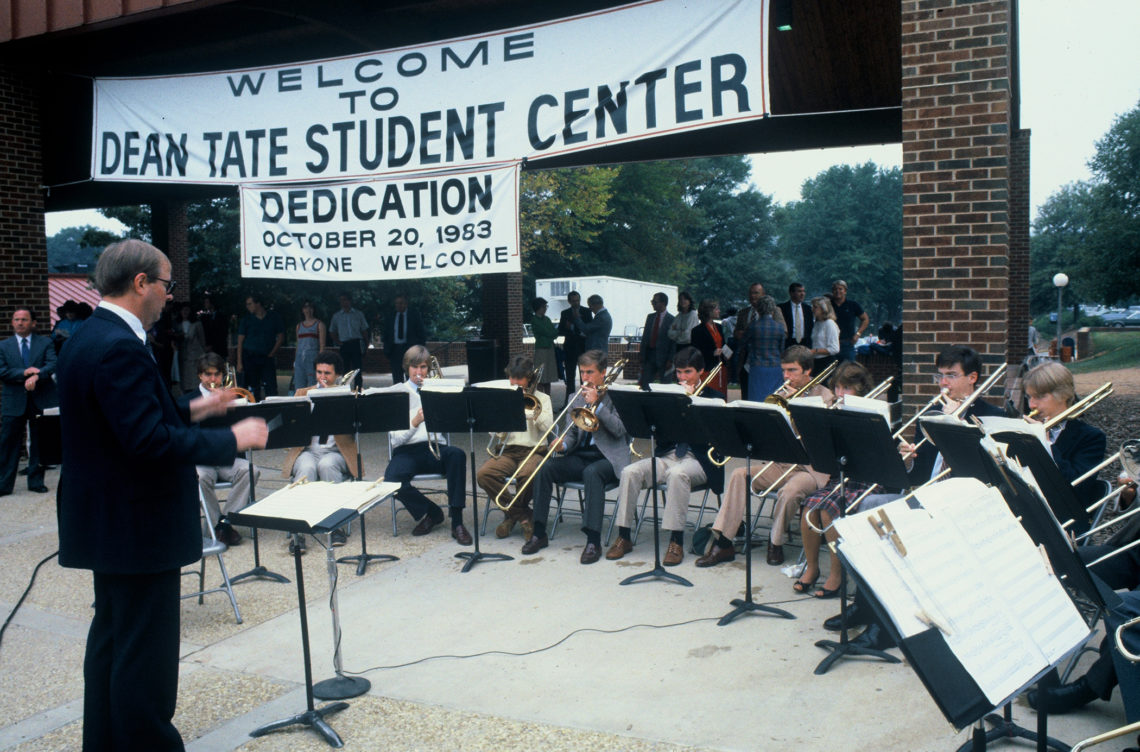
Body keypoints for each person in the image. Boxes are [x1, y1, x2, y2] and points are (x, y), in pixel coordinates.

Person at [56, 239, 267, 752]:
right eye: (167, 285)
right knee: (144, 659)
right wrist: (231, 439)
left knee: (113, 642)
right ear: (140, 283)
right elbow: (147, 441)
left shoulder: (89, 337)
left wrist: (198, 406)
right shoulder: (121, 347)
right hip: (137, 526)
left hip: (110, 523)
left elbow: (127, 418)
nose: (170, 296)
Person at [697, 346, 833, 568]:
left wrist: (797, 406)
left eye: (792, 370)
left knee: (790, 492)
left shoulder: (826, 396)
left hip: (810, 469)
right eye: (784, 370)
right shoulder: (781, 395)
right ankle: (724, 542)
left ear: (808, 370)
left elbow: (822, 439)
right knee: (739, 475)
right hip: (782, 463)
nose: (786, 376)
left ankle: (775, 543)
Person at [608, 347, 724, 566]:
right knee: (630, 471)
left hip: (699, 460)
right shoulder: (668, 395)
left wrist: (691, 403)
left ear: (701, 371)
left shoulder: (715, 398)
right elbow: (657, 430)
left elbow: (716, 437)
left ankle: (675, 541)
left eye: (688, 372)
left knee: (677, 474)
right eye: (679, 372)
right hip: (668, 455)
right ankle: (624, 536)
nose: (682, 377)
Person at [522, 349, 629, 564]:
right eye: (582, 372)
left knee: (592, 473)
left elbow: (619, 430)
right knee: (545, 467)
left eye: (590, 372)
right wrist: (562, 445)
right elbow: (571, 435)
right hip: (581, 455)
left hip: (609, 459)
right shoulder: (575, 397)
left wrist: (598, 405)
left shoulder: (618, 396)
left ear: (603, 372)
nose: (585, 377)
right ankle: (539, 533)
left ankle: (593, 541)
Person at [793, 361, 876, 598]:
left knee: (829, 510)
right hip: (840, 476)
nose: (840, 393)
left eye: (846, 388)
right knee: (809, 507)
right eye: (838, 388)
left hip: (866, 479)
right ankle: (812, 568)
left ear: (860, 389)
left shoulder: (872, 412)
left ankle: (837, 575)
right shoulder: (833, 413)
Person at [385, 344, 471, 544]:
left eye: (423, 367)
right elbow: (395, 440)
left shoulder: (437, 389)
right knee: (391, 481)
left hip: (435, 448)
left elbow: (455, 422)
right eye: (414, 367)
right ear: (407, 368)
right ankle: (432, 512)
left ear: (428, 369)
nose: (419, 372)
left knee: (457, 455)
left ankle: (457, 522)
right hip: (406, 451)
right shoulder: (397, 392)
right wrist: (415, 422)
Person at [177, 353, 259, 547]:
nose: (213, 379)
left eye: (217, 374)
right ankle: (220, 526)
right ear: (200, 375)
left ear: (223, 375)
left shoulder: (232, 398)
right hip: (201, 460)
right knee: (199, 478)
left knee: (251, 471)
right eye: (208, 374)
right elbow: (184, 435)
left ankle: (225, 523)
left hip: (226, 458)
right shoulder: (187, 401)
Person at [281, 350, 359, 550]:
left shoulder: (348, 396)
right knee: (306, 469)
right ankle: (299, 531)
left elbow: (356, 428)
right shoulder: (302, 393)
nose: (322, 377)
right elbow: (289, 428)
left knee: (327, 465)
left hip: (335, 452)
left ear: (338, 375)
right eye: (319, 372)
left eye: (327, 373)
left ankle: (335, 526)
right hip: (307, 451)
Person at [476, 355, 554, 540]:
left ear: (529, 378)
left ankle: (511, 517)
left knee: (527, 475)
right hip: (508, 451)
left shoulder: (543, 398)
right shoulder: (504, 397)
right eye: (512, 377)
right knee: (484, 475)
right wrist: (504, 416)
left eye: (519, 378)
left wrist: (534, 413)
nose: (514, 382)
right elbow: (495, 433)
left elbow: (549, 427)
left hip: (534, 451)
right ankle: (523, 516)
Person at [1023, 360, 1108, 509]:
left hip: (1063, 516)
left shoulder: (1091, 438)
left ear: (1062, 395)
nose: (1031, 405)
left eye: (1039, 396)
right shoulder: (1027, 430)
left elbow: (1075, 487)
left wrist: (1046, 444)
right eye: (1029, 397)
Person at [0, 307, 58, 496]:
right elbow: (2, 370)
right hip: (14, 400)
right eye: (16, 319)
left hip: (40, 398)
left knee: (39, 442)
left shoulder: (45, 343)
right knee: (8, 443)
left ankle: (36, 481)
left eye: (24, 319)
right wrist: (24, 373)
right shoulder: (4, 346)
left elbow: (52, 364)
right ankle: (4, 484)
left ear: (33, 323)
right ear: (12, 322)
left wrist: (38, 375)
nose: (20, 323)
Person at [236, 294, 284, 400]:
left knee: (271, 387)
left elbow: (281, 337)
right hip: (250, 357)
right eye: (247, 304)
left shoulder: (273, 317)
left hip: (267, 357)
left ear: (258, 304)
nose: (248, 307)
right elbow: (240, 342)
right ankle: (254, 406)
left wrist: (272, 353)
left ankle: (272, 407)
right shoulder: (246, 320)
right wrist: (239, 362)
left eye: (250, 304)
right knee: (253, 388)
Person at [745, 295, 786, 401]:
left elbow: (744, 345)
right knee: (774, 399)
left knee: (756, 399)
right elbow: (782, 349)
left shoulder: (753, 326)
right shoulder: (780, 327)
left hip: (757, 367)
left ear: (758, 309)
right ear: (773, 309)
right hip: (775, 367)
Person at [383, 294, 426, 384]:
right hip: (395, 350)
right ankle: (399, 393)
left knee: (411, 377)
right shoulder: (391, 316)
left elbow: (421, 333)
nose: (399, 305)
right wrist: (387, 349)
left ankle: (412, 392)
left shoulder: (414, 315)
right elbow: (386, 333)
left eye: (401, 303)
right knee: (397, 378)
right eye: (397, 303)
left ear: (406, 304)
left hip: (410, 350)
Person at [690, 299, 729, 397]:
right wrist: (712, 353)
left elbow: (723, 344)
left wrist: (727, 353)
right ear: (709, 311)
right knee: (710, 396)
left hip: (721, 368)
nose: (719, 311)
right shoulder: (697, 330)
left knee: (721, 395)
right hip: (707, 369)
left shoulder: (719, 327)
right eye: (716, 309)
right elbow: (696, 352)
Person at [733, 282, 765, 399]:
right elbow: (736, 332)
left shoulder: (774, 311)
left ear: (763, 294)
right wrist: (741, 334)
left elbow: (783, 332)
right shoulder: (743, 312)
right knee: (746, 394)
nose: (752, 296)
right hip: (745, 359)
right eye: (751, 293)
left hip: (763, 360)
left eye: (756, 293)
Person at [557, 291, 592, 398]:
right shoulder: (565, 313)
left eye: (577, 300)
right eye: (573, 301)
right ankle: (569, 401)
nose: (576, 303)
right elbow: (560, 330)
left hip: (583, 347)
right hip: (570, 348)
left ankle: (586, 401)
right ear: (569, 301)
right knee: (570, 377)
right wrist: (567, 328)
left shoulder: (586, 311)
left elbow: (590, 328)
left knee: (585, 377)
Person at [329, 292, 369, 379]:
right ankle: (346, 386)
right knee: (345, 369)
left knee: (357, 369)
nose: (343, 302)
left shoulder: (358, 314)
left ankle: (358, 386)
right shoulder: (337, 316)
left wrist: (366, 344)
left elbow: (364, 330)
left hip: (356, 343)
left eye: (345, 300)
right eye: (341, 300)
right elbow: (332, 331)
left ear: (350, 301)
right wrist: (338, 341)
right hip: (344, 344)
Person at [638, 292, 674, 387]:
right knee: (645, 384)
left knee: (665, 385)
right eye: (652, 301)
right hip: (649, 356)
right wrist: (642, 354)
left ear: (663, 303)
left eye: (655, 302)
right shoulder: (650, 317)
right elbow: (645, 337)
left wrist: (670, 359)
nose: (652, 304)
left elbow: (673, 342)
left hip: (664, 358)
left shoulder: (672, 319)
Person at [830, 280, 868, 362]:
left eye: (840, 289)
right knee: (830, 369)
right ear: (832, 291)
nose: (837, 291)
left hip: (847, 344)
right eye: (835, 289)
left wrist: (858, 334)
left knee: (849, 368)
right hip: (830, 344)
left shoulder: (852, 305)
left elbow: (865, 319)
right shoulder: (828, 305)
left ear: (845, 291)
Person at [292, 300, 326, 391]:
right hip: (300, 358)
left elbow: (322, 346)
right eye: (305, 307)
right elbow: (298, 344)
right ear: (302, 310)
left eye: (310, 307)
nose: (308, 310)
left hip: (313, 357)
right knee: (299, 386)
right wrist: (295, 362)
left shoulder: (319, 324)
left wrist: (320, 362)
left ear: (314, 309)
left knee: (313, 385)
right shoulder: (299, 326)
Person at [174, 302, 206, 394]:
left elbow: (202, 339)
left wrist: (203, 353)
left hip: (195, 355)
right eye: (183, 310)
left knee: (195, 379)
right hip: (183, 355)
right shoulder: (177, 324)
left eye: (187, 310)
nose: (185, 312)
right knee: (184, 379)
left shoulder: (197, 324)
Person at [529, 298, 558, 396]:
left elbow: (554, 333)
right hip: (541, 349)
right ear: (538, 307)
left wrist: (551, 333)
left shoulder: (547, 319)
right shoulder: (535, 320)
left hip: (550, 349)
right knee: (540, 377)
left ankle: (548, 398)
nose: (545, 309)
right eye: (543, 307)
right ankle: (541, 398)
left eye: (546, 307)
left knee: (548, 376)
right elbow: (548, 332)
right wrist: (551, 333)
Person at [810, 295, 840, 373]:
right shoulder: (817, 323)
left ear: (824, 309)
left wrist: (814, 351)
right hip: (816, 361)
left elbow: (834, 349)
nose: (812, 309)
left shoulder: (830, 324)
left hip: (827, 362)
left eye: (815, 307)